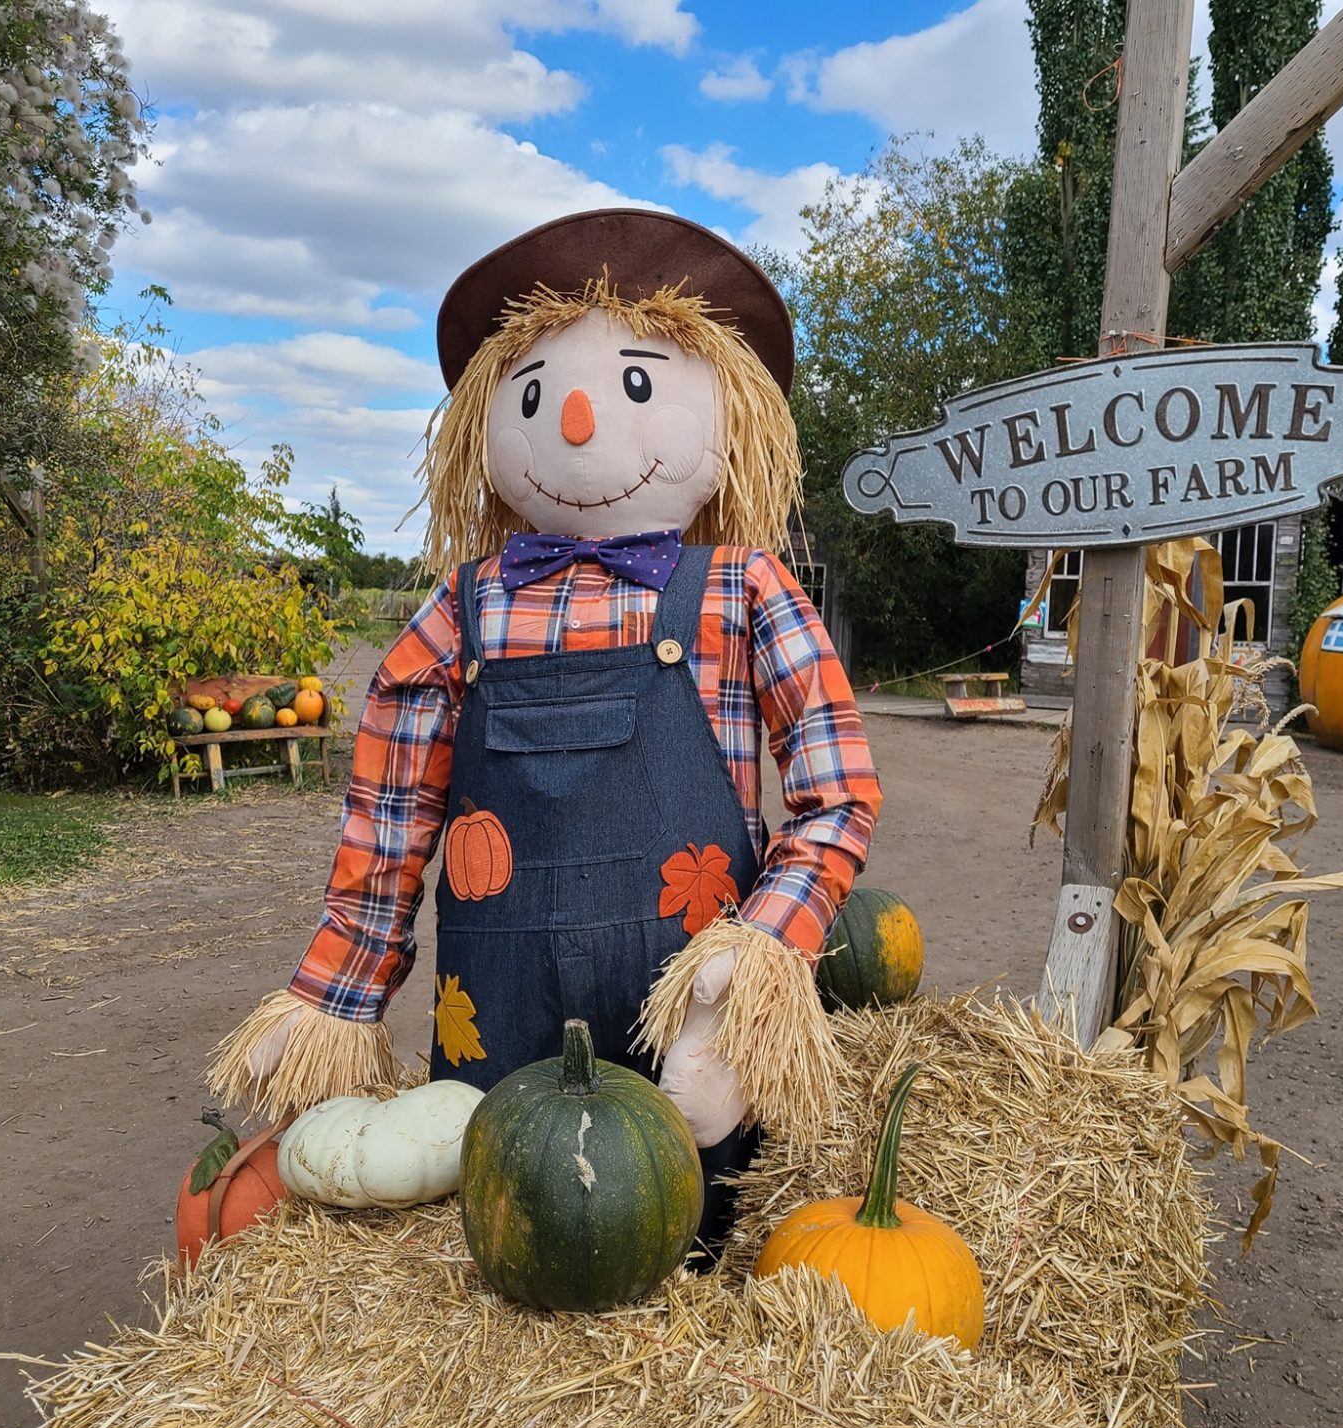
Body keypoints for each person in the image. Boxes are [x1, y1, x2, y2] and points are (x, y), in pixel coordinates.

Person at [208, 208, 882, 1248]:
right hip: (492, 1010)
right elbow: (388, 826)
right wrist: (333, 997)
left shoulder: (743, 591)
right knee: (507, 1223)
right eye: (535, 393)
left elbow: (835, 792)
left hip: (684, 1006)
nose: (575, 420)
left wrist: (756, 956)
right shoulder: (459, 610)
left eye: (638, 384)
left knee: (685, 1224)